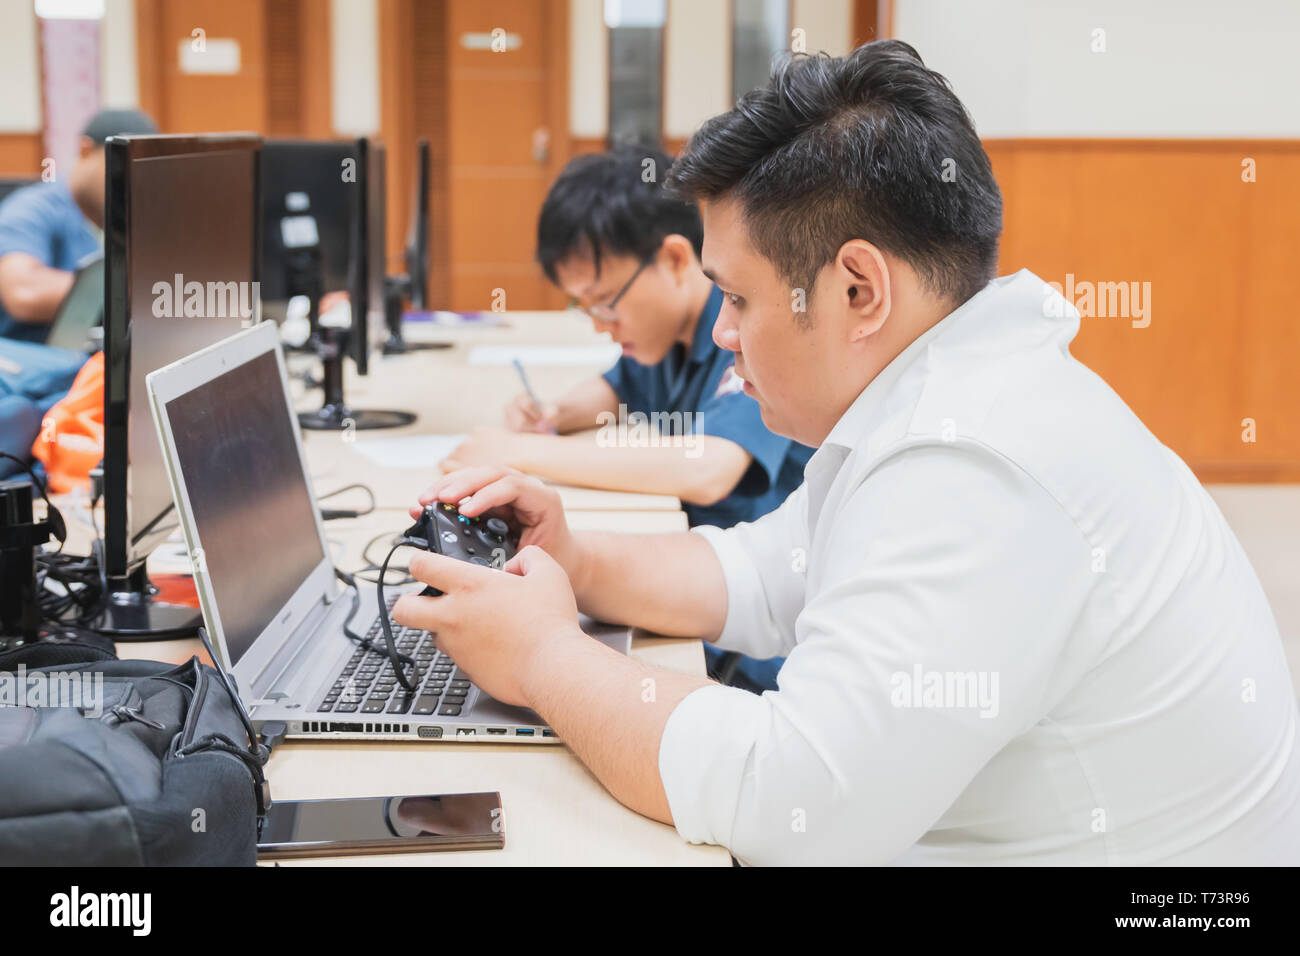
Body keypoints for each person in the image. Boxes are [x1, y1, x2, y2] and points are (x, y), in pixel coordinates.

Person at [391, 41, 1300, 865]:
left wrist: (543, 654)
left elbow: (791, 803)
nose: (728, 336)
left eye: (738, 299)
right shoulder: (937, 397)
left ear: (859, 289)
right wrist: (575, 559)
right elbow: (770, 573)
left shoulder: (975, 463)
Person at [446, 146, 814, 691]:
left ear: (672, 260)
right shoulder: (664, 336)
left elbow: (709, 467)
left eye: (605, 302)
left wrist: (517, 454)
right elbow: (616, 389)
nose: (602, 325)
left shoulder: (741, 329)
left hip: (760, 643)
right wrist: (554, 413)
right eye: (587, 309)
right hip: (698, 594)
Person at [0, 109, 157, 343]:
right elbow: (25, 293)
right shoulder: (31, 209)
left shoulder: (123, 213)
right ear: (85, 150)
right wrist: (137, 290)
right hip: (37, 364)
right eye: (121, 168)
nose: (130, 183)